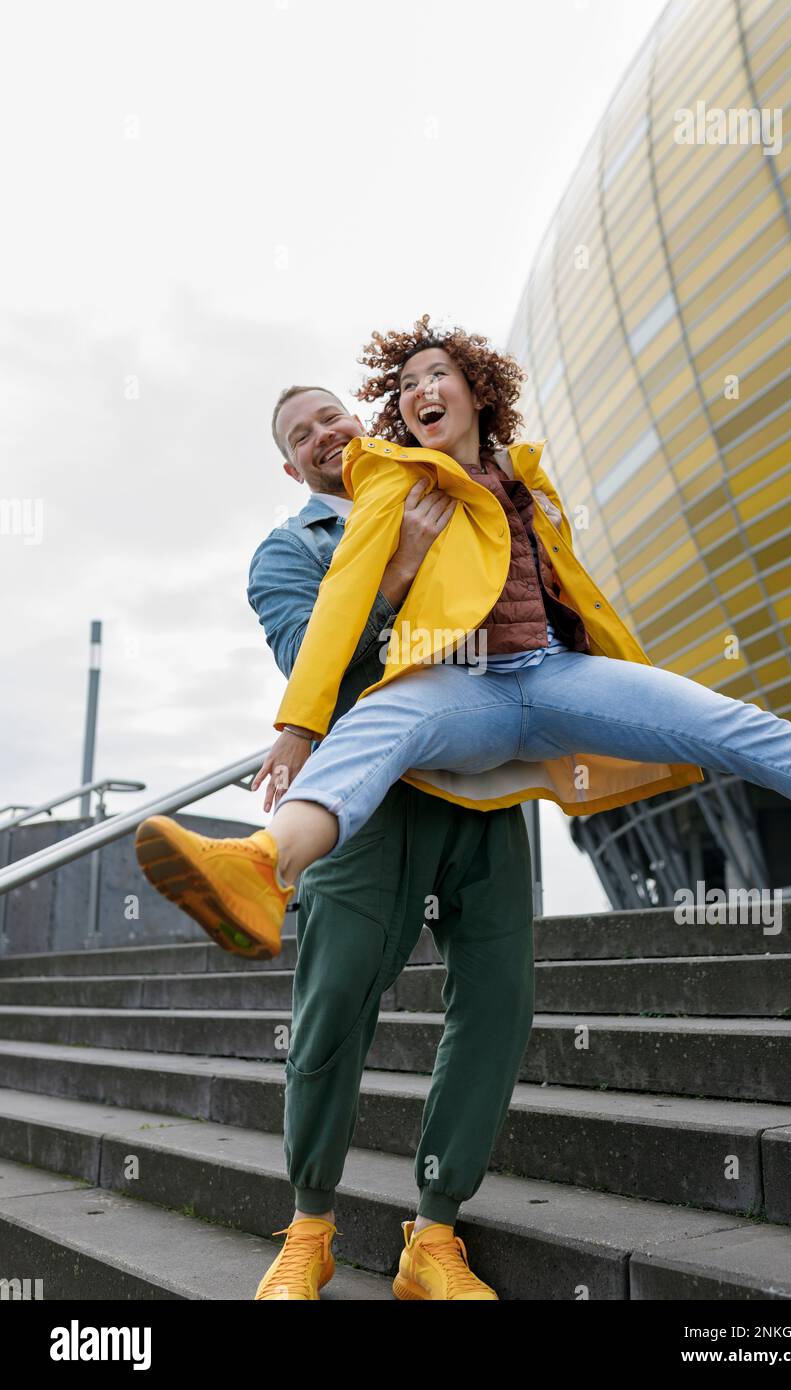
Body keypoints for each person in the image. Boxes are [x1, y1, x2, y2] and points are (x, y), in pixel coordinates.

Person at [136, 314, 791, 932]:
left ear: (476, 390)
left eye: (435, 375)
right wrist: (297, 730)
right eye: (406, 386)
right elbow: (338, 608)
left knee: (735, 726)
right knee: (375, 726)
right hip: (462, 688)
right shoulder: (390, 481)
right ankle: (263, 869)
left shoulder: (526, 477)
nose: (420, 390)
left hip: (557, 677)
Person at [166, 381, 536, 1301]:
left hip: (481, 790)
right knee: (333, 1009)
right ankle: (309, 1229)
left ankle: (434, 1236)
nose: (325, 434)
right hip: (363, 800)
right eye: (302, 434)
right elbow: (312, 670)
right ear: (289, 465)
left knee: (496, 1008)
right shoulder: (286, 553)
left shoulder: (443, 491)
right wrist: (400, 572)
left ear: (358, 424)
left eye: (332, 416)